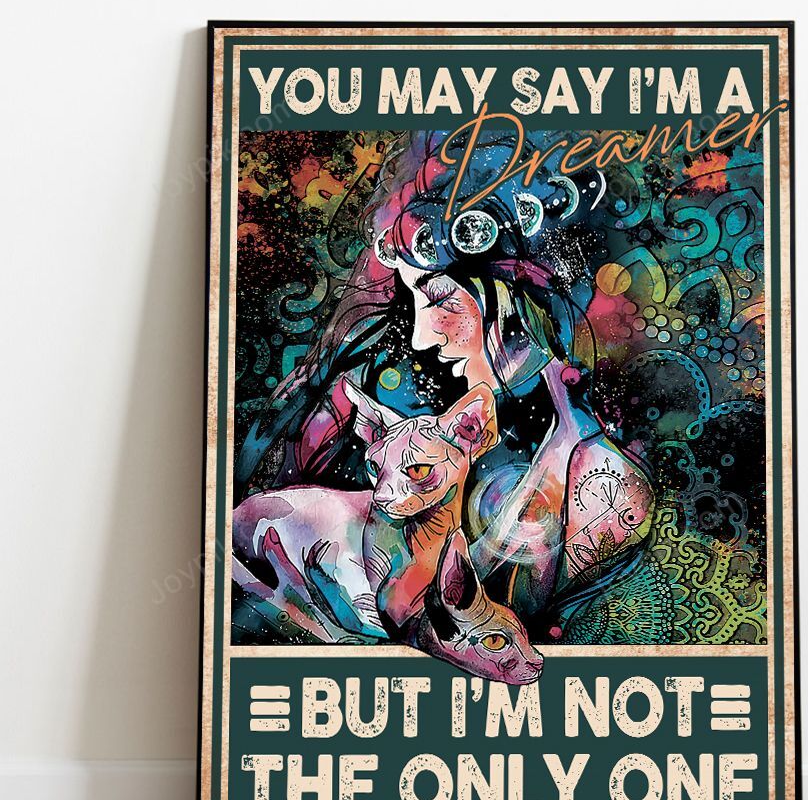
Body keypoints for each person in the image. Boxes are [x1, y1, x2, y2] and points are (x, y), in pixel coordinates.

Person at [235, 128, 653, 641]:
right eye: (414, 302)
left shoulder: (600, 485)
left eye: (440, 301)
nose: (422, 334)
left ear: (520, 301)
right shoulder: (365, 393)